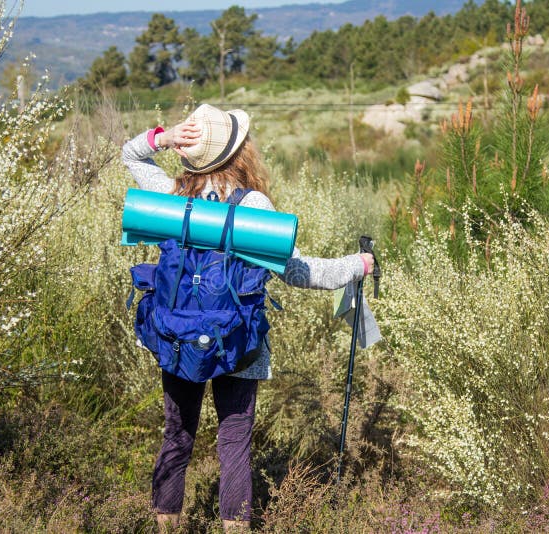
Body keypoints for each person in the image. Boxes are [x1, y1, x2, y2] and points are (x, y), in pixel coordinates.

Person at [121, 104, 374, 531]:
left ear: (192, 153)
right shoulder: (253, 204)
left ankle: (166, 527)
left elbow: (129, 154)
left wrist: (163, 138)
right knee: (234, 443)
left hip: (179, 336)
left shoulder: (171, 198)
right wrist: (357, 265)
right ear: (241, 152)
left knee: (177, 435)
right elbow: (298, 272)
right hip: (239, 343)